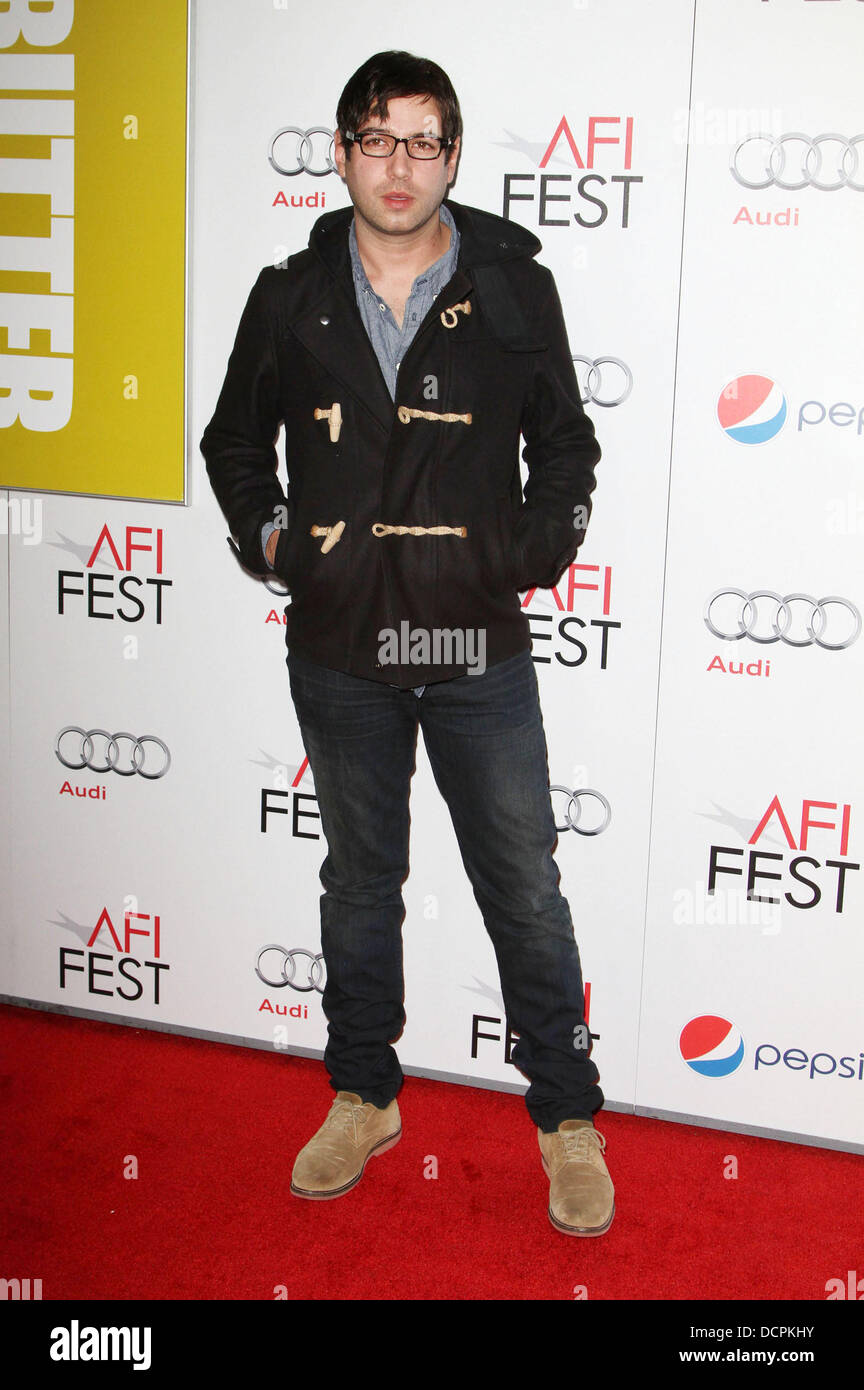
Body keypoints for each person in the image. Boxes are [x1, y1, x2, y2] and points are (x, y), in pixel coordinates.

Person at [201, 50, 613, 1236]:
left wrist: (525, 555)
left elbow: (569, 445)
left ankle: (567, 1117)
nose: (400, 165)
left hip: (475, 638)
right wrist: (279, 542)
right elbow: (234, 445)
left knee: (524, 889)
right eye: (378, 139)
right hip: (340, 647)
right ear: (340, 153)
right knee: (358, 883)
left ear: (452, 157)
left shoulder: (512, 286)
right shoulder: (289, 292)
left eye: (425, 141)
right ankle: (363, 1093)